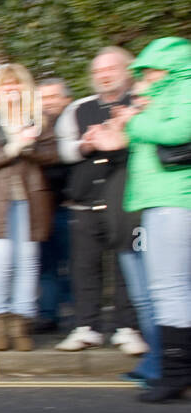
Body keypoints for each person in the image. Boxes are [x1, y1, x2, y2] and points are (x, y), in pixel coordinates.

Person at [111, 37, 191, 402]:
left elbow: (180, 131)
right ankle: (174, 373)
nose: (146, 76)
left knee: (170, 289)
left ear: (169, 65)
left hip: (175, 200)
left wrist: (136, 121)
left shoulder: (184, 86)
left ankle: (174, 376)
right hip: (161, 200)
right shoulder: (165, 92)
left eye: (150, 69)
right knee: (169, 289)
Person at [53, 48, 146, 357]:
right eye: (98, 72)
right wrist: (85, 144)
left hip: (130, 203)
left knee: (128, 266)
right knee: (84, 268)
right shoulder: (78, 108)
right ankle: (86, 328)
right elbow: (63, 150)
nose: (103, 76)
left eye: (110, 69)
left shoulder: (141, 102)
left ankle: (127, 328)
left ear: (126, 70)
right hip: (85, 203)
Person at [0, 64, 57, 352]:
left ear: (24, 87)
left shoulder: (37, 117)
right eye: (6, 85)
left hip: (30, 198)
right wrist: (11, 149)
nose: (10, 89)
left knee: (28, 260)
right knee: (0, 258)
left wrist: (30, 147)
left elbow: (53, 153)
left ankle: (21, 323)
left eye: (16, 84)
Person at [35, 77, 74, 333]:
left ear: (66, 99)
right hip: (43, 209)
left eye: (52, 97)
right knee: (46, 265)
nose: (47, 103)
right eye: (42, 98)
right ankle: (48, 316)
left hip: (73, 206)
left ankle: (78, 317)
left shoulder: (78, 122)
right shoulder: (33, 129)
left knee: (75, 264)